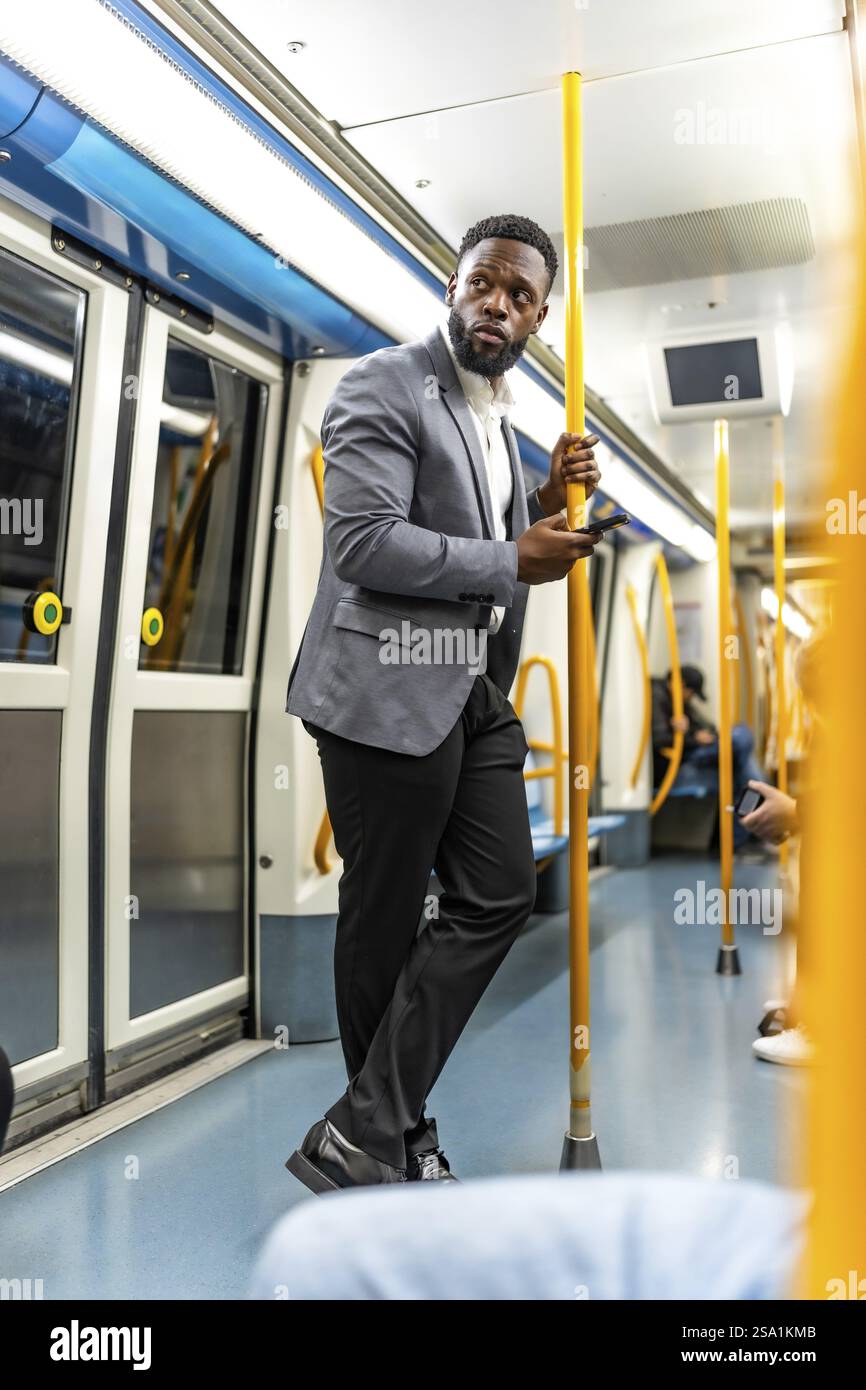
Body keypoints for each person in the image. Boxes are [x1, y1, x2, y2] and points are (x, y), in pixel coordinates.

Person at [283, 214, 603, 1192]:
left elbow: (469, 531)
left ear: (537, 317)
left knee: (499, 890)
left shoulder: (497, 413)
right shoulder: (383, 382)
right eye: (482, 284)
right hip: (383, 688)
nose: (495, 305)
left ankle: (361, 1125)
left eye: (517, 296)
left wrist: (539, 507)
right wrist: (512, 555)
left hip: (469, 687)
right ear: (454, 285)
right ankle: (393, 1131)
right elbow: (367, 543)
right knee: (381, 916)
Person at [651, 664, 765, 848]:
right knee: (741, 753)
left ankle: (737, 837)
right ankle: (741, 835)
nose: (691, 699)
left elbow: (707, 728)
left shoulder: (679, 702)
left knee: (742, 761)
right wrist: (693, 738)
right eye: (691, 693)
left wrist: (695, 734)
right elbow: (660, 739)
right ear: (680, 684)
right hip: (680, 764)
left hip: (692, 754)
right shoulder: (656, 697)